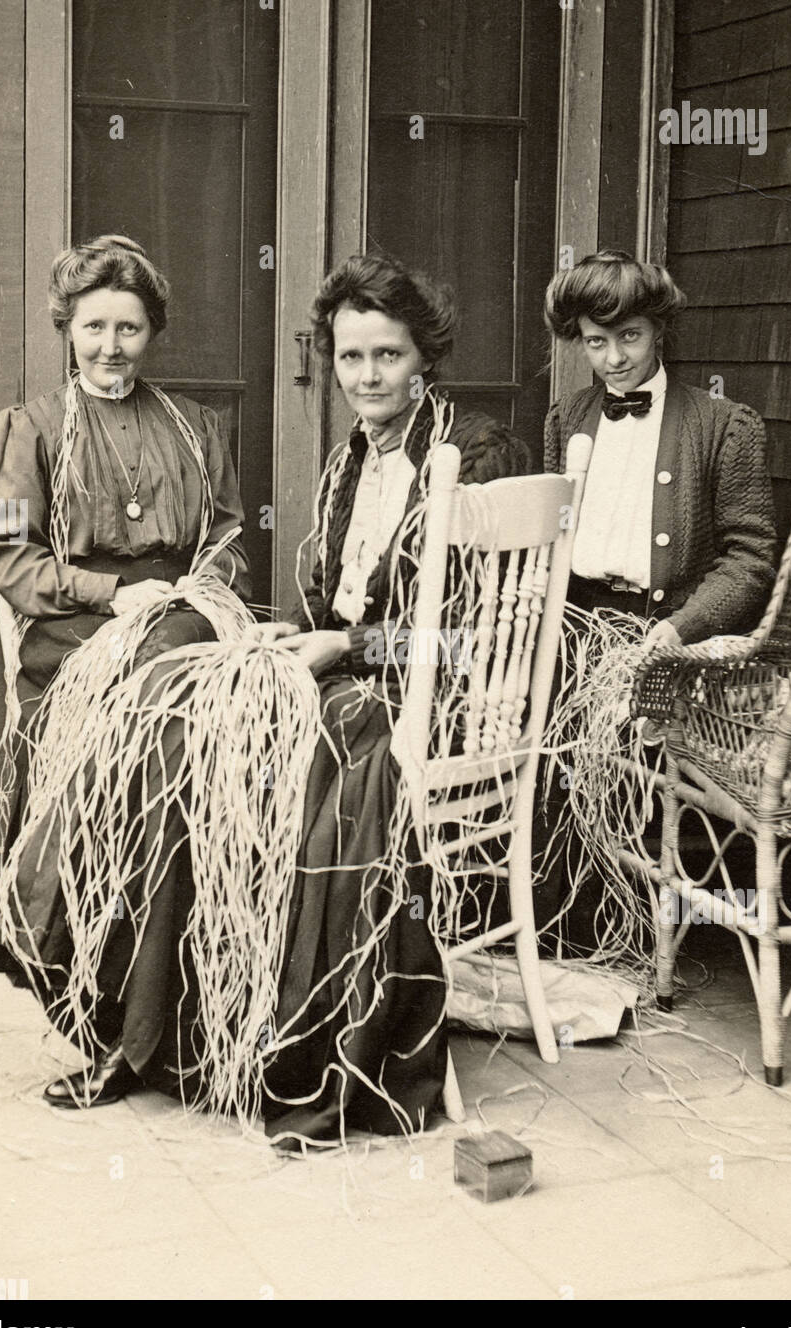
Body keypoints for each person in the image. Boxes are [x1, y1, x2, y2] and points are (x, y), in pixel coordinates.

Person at [0, 235, 252, 1105]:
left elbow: (225, 541)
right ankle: (109, 1027)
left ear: (154, 333)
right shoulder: (29, 430)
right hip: (74, 637)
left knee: (164, 680)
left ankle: (15, 923)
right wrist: (113, 595)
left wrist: (189, 593)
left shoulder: (194, 425)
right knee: (141, 738)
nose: (113, 347)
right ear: (68, 327)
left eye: (132, 329)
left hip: (183, 625)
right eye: (96, 327)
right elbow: (11, 561)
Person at [260, 253, 535, 1148]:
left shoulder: (474, 450)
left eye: (388, 356)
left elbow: (464, 632)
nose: (367, 376)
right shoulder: (352, 461)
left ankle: (331, 1054)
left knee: (334, 739)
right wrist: (293, 635)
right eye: (350, 358)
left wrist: (350, 646)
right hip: (364, 686)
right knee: (211, 708)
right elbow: (336, 599)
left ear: (425, 359)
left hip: (449, 704)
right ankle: (206, 1017)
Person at [536, 249, 778, 948]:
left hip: (664, 634)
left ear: (659, 331)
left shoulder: (723, 426)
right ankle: (544, 925)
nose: (613, 359)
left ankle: (611, 926)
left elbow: (749, 561)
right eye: (595, 342)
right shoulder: (566, 419)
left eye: (629, 338)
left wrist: (678, 629)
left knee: (607, 735)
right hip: (577, 624)